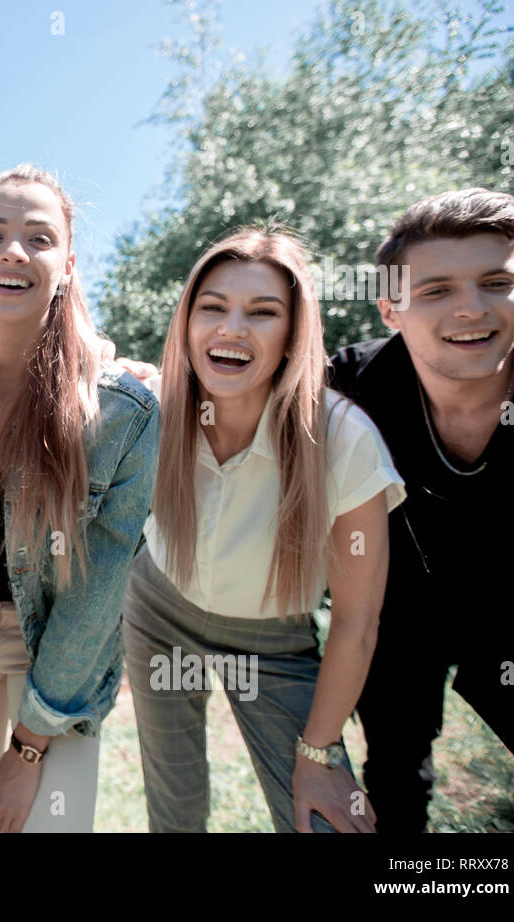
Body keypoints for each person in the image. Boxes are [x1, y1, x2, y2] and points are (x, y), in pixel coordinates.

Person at [122, 228, 404, 833]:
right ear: (188, 323)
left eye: (262, 313)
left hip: (274, 641)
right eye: (213, 308)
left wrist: (317, 753)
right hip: (157, 609)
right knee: (175, 809)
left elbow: (356, 621)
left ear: (292, 336)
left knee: (324, 822)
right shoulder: (152, 411)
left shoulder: (345, 439)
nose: (232, 329)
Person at [0, 164, 160, 833]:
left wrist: (29, 745)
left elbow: (98, 592)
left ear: (69, 264)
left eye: (39, 238)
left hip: (60, 645)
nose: (14, 252)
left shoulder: (122, 412)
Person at [328, 188, 514, 830]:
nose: (471, 309)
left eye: (495, 282)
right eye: (435, 291)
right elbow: (240, 397)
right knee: (395, 778)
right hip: (401, 611)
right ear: (391, 310)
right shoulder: (345, 388)